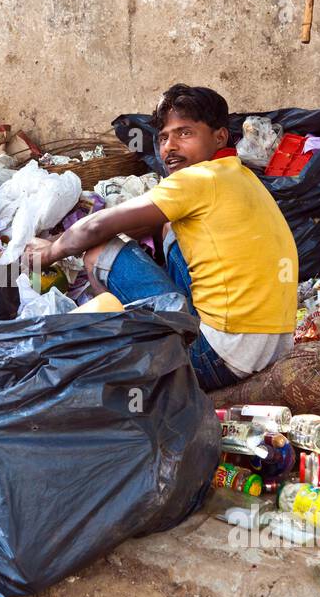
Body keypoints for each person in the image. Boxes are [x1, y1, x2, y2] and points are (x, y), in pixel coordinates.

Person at [25, 84, 298, 390]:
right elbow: (142, 223)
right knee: (168, 228)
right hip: (272, 349)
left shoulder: (196, 180)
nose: (170, 147)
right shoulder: (240, 175)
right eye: (164, 138)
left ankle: (139, 358)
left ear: (220, 136)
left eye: (185, 133)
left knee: (98, 250)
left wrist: (49, 251)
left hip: (217, 357)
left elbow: (92, 229)